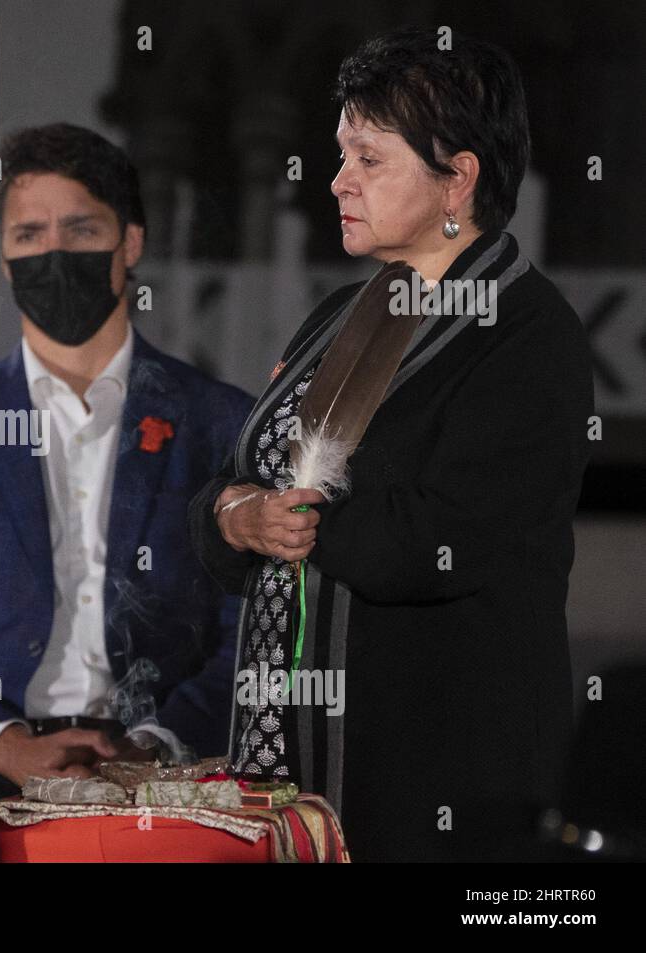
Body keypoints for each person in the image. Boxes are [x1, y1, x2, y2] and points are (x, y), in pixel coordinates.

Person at [188, 28, 594, 862]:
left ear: (458, 178)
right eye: (343, 154)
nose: (338, 180)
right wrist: (234, 516)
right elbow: (233, 479)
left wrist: (295, 519)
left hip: (438, 773)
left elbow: (442, 538)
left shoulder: (528, 332)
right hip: (290, 759)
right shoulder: (339, 314)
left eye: (369, 159)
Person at [0, 123, 253, 862]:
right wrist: (8, 745)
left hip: (167, 761)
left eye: (80, 229)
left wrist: (156, 741)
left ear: (130, 243)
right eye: (29, 234)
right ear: (4, 259)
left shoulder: (219, 422)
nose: (54, 252)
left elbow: (249, 632)